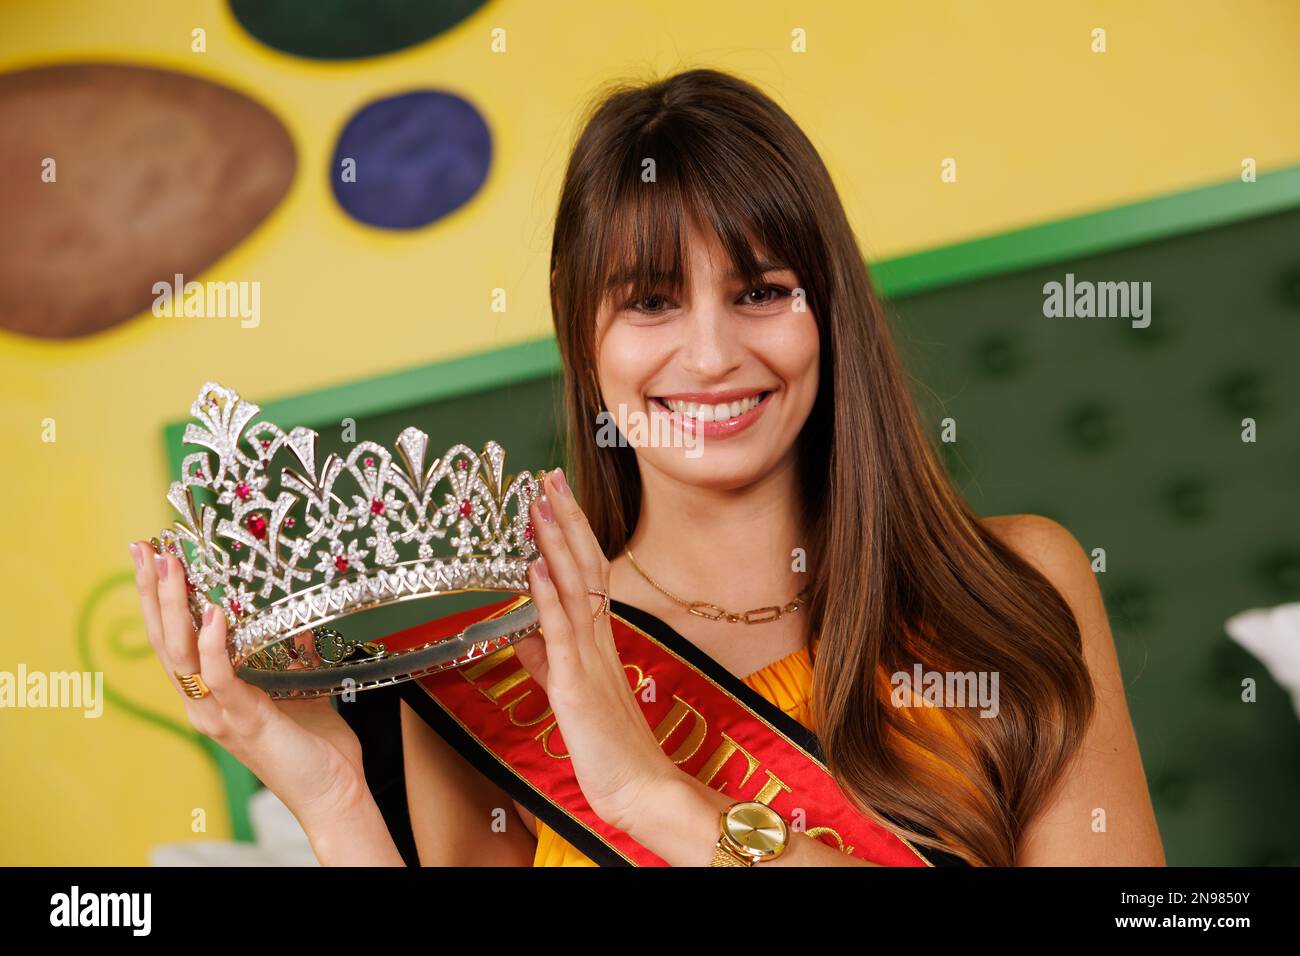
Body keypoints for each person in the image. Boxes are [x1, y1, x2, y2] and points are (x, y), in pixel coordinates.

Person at [129, 67, 1165, 867]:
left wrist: (655, 796)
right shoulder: (481, 661)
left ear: (830, 313)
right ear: (584, 336)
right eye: (652, 301)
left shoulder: (1011, 586)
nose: (711, 355)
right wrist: (335, 799)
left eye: (761, 290)